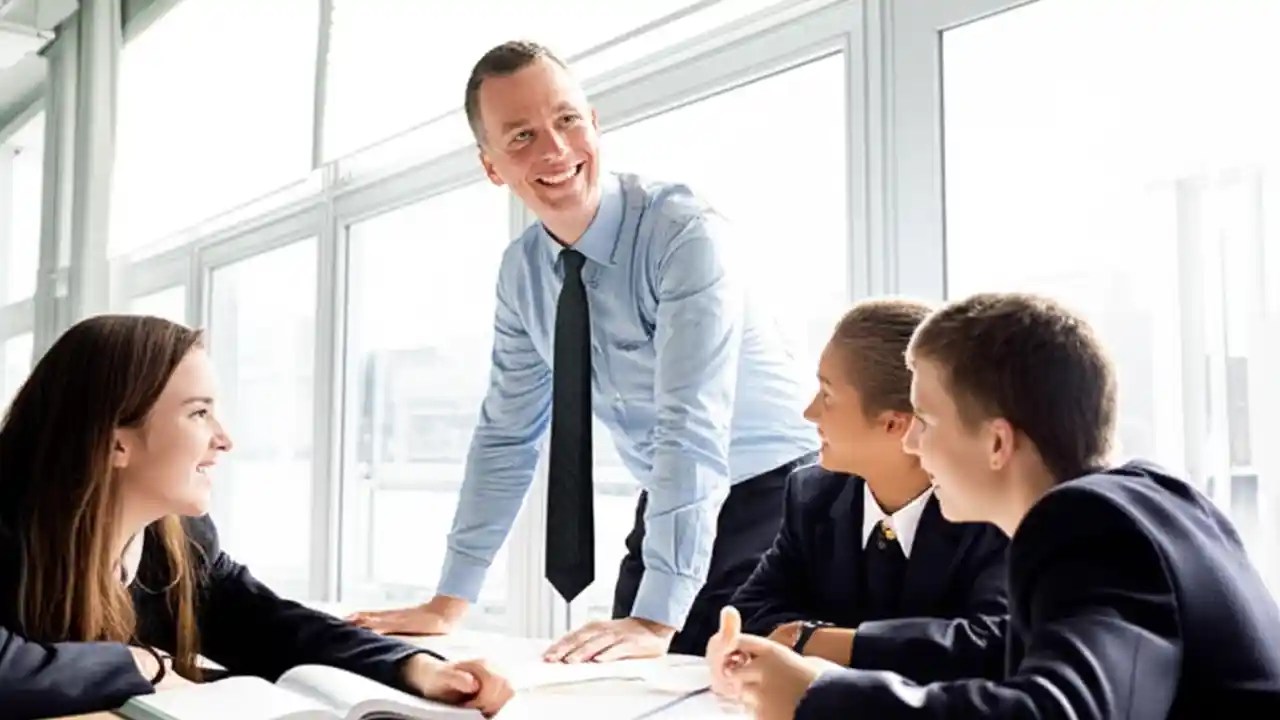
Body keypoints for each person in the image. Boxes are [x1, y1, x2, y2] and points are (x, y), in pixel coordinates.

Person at [347, 40, 818, 661]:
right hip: (670, 491)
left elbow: (691, 420)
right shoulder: (523, 275)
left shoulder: (683, 234)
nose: (555, 149)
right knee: (612, 673)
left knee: (715, 668)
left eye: (567, 120)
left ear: (594, 123)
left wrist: (655, 618)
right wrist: (448, 602)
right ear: (491, 166)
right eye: (520, 136)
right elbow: (506, 435)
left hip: (779, 490)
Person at [708, 292, 1280, 718]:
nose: (910, 443)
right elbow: (1021, 668)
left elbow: (1056, 713)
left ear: (997, 442)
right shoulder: (1152, 498)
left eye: (925, 423)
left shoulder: (1087, 523)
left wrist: (817, 695)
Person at [0, 316, 513, 720]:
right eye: (198, 413)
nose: (224, 439)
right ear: (116, 441)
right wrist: (140, 663)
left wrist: (413, 667)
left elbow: (266, 624)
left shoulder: (182, 539)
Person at [729, 298, 1008, 682]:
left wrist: (820, 641)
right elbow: (750, 611)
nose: (810, 412)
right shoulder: (812, 494)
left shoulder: (994, 517)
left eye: (827, 395)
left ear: (897, 425)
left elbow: (989, 648)